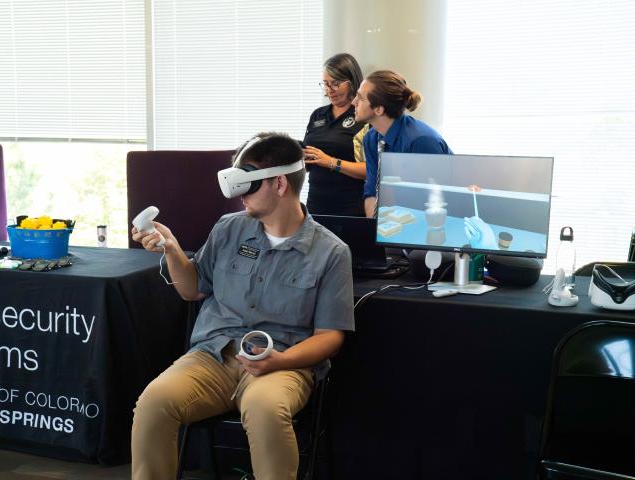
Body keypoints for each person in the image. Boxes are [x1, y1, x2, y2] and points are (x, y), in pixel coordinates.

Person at [130, 132, 355, 480]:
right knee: (153, 403)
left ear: (280, 184)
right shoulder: (228, 229)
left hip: (283, 361)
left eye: (248, 185)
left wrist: (281, 361)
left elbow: (330, 337)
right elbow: (192, 290)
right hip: (214, 355)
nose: (240, 196)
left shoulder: (330, 252)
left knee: (266, 409)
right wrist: (172, 249)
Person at [352, 70, 452, 217]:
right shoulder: (371, 139)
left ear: (379, 109)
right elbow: (372, 191)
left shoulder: (421, 141)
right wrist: (372, 230)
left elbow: (435, 201)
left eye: (360, 98)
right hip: (403, 217)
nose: (353, 102)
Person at [303, 53, 369, 216]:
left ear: (352, 82)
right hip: (316, 204)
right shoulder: (318, 115)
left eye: (335, 84)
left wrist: (331, 162)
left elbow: (372, 169)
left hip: (350, 207)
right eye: (325, 84)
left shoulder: (363, 117)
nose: (329, 91)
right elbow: (309, 161)